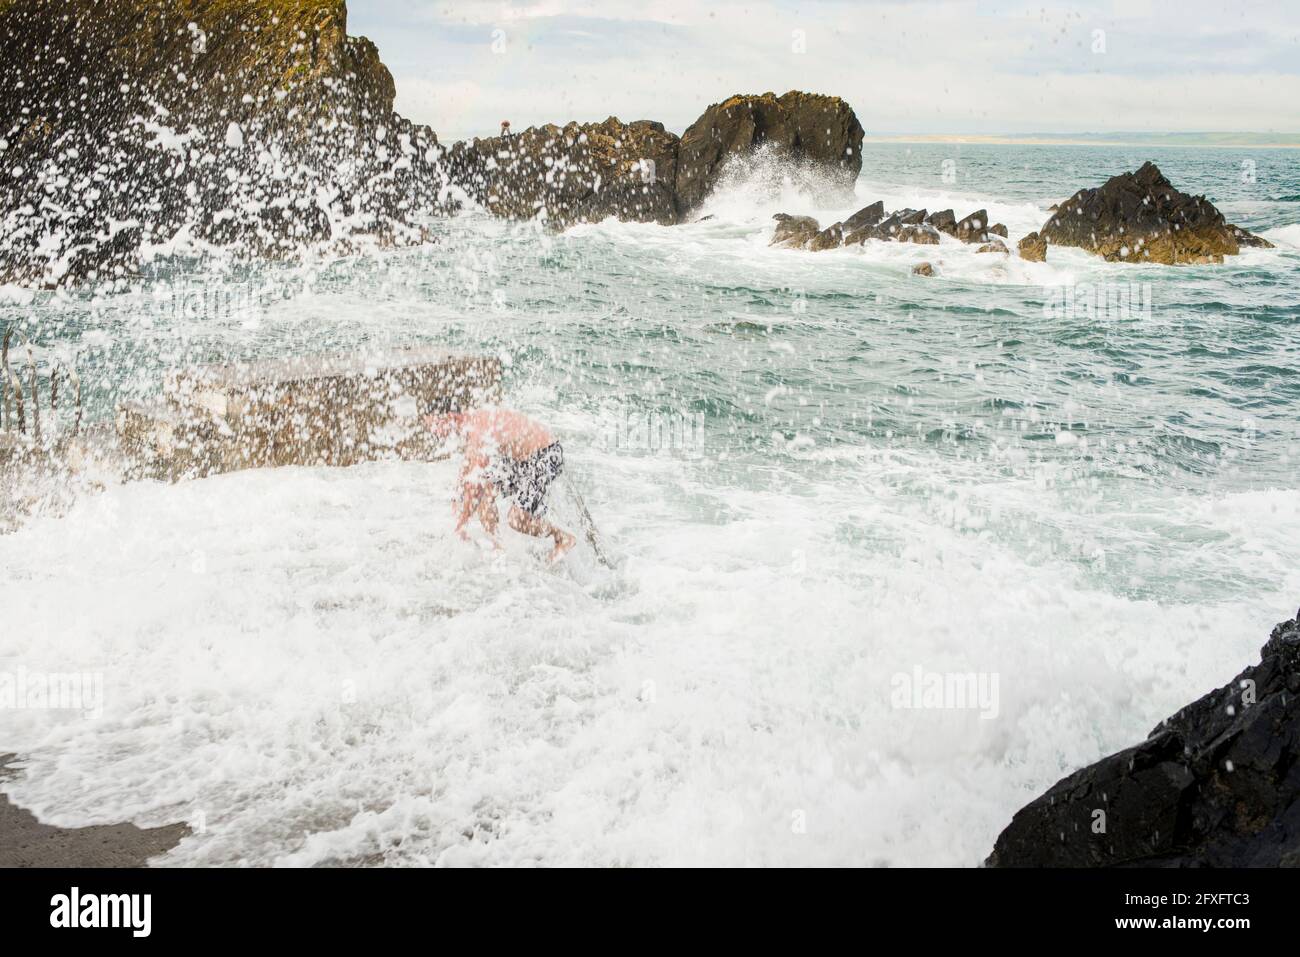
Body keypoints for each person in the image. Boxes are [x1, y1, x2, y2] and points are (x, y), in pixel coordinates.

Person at [425, 407, 576, 562]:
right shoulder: (472, 423)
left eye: (435, 425)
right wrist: (457, 496)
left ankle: (562, 538)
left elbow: (474, 484)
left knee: (517, 520)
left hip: (546, 454)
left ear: (450, 417)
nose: (434, 432)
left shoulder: (478, 427)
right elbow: (467, 468)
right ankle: (499, 547)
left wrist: (462, 525)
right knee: (485, 496)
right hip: (520, 460)